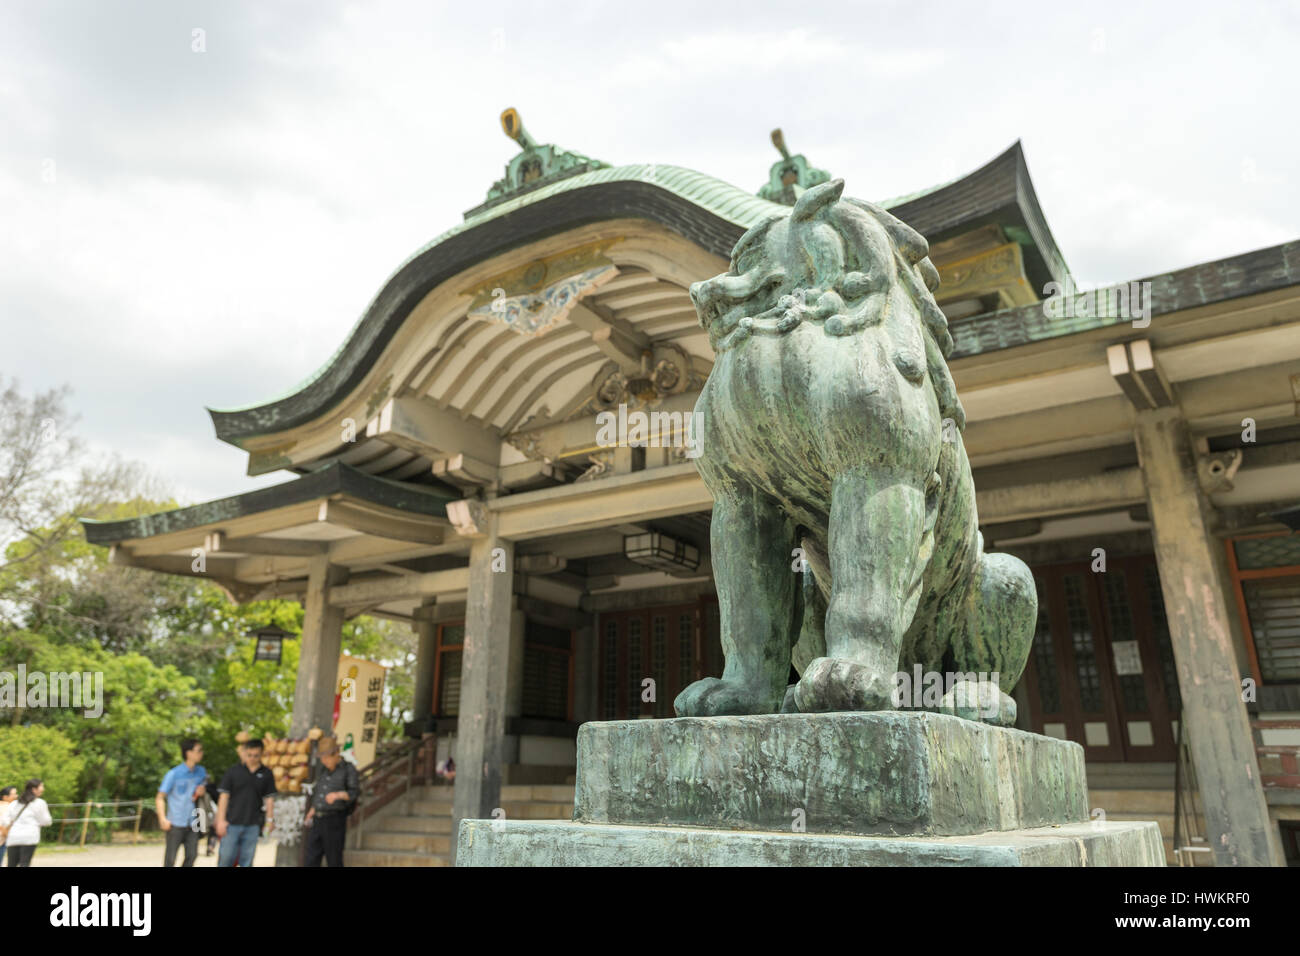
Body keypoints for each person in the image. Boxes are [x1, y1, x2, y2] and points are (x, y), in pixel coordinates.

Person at [215, 738, 276, 867]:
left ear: (261, 754)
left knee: (246, 861)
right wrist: (220, 820)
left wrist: (269, 821)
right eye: (249, 755)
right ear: (244, 753)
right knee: (225, 859)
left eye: (256, 755)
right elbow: (223, 797)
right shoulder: (233, 772)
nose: (252, 758)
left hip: (253, 825)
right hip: (231, 824)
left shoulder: (267, 773)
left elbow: (269, 799)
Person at [303, 738, 360, 867]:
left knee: (334, 858)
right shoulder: (323, 770)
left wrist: (338, 794)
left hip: (334, 819)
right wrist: (312, 810)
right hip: (318, 818)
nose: (324, 761)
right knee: (311, 858)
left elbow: (354, 792)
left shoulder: (348, 769)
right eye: (322, 758)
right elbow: (319, 792)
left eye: (327, 757)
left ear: (336, 754)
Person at [156, 737, 207, 867]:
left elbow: (204, 791)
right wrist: (163, 819)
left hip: (194, 822)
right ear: (188, 753)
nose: (201, 753)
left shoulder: (201, 772)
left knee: (192, 856)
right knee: (170, 859)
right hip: (175, 822)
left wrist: (202, 791)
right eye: (198, 750)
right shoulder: (173, 774)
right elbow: (160, 797)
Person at [1, 779, 53, 867]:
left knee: (11, 864)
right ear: (34, 789)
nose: (43, 789)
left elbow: (4, 821)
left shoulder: (14, 803)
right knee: (24, 864)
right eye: (41, 786)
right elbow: (47, 821)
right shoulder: (39, 803)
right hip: (29, 837)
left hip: (14, 837)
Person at [0, 787, 17, 866]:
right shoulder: (6, 807)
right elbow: (1, 825)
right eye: (14, 794)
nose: (16, 796)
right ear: (5, 797)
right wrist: (9, 836)